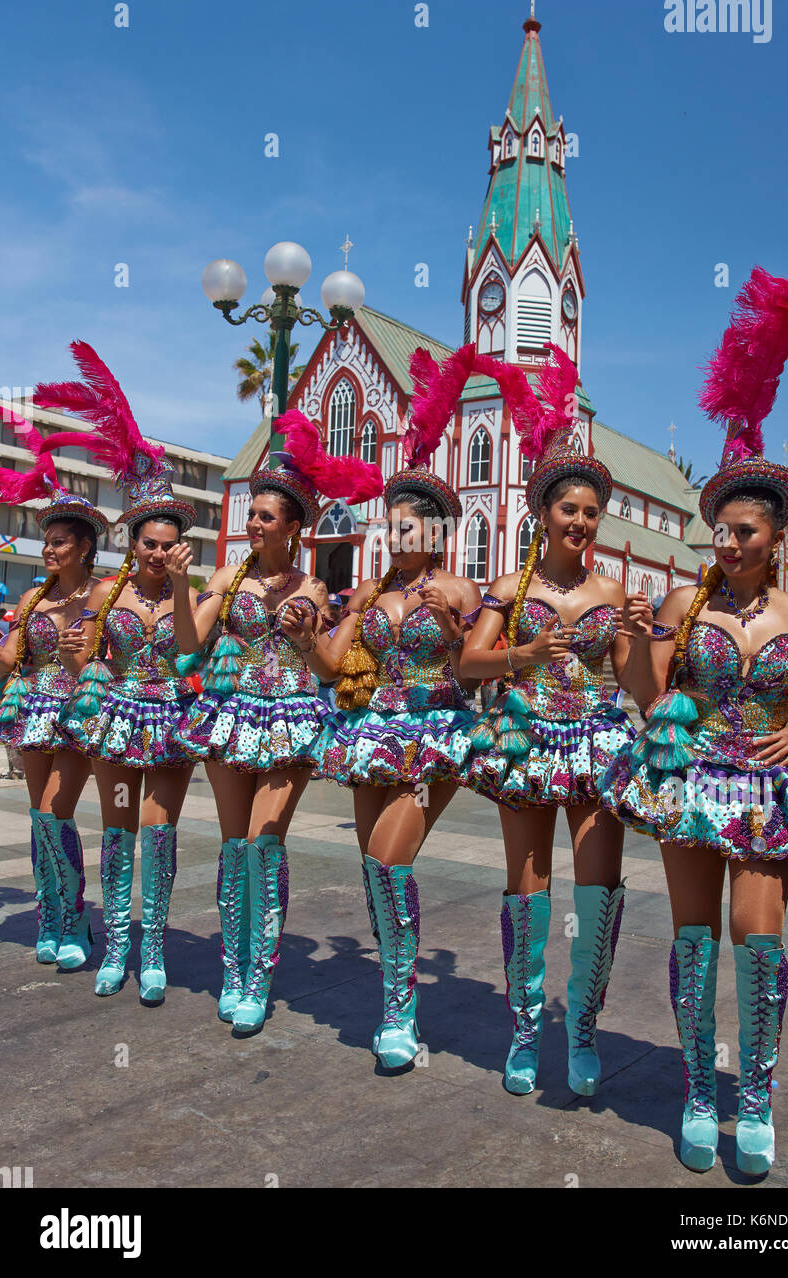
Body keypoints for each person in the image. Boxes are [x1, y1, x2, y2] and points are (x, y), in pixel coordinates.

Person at [602, 269, 788, 1175]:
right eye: (722, 530)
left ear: (776, 538)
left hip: (769, 787)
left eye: (745, 532)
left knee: (762, 937)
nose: (729, 543)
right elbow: (646, 691)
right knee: (695, 935)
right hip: (692, 776)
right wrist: (634, 642)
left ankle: (757, 1094)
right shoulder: (680, 599)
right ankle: (697, 1093)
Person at [456, 345, 635, 1096]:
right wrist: (523, 654)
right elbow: (469, 665)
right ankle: (527, 1030)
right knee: (527, 891)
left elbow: (640, 684)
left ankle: (583, 1031)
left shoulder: (614, 589)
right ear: (543, 514)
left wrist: (650, 636)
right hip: (525, 740)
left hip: (599, 743)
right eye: (570, 509)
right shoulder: (506, 584)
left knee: (598, 890)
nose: (583, 523)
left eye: (592, 513)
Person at [171, 411, 381, 1033]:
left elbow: (326, 661)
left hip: (290, 717)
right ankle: (233, 969)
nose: (255, 523)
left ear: (293, 527)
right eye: (252, 514)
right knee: (233, 849)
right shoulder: (225, 579)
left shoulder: (312, 587)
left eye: (267, 516)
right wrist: (183, 585)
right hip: (232, 715)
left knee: (265, 844)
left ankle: (260, 975)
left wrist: (302, 633)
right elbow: (188, 647)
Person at [314, 344, 481, 1069]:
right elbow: (331, 661)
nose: (397, 534)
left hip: (435, 727)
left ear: (439, 531)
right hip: (370, 734)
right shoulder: (372, 595)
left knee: (389, 862)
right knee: (371, 867)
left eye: (409, 524)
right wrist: (303, 636)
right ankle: (396, 985)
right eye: (391, 524)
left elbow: (473, 671)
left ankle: (399, 1017)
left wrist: (451, 627)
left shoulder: (463, 592)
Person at [34, 343, 201, 1003]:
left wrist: (184, 588)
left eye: (169, 545)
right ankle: (117, 947)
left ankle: (155, 947)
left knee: (159, 833)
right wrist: (76, 659)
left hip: (171, 719)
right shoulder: (103, 595)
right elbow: (82, 658)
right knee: (119, 831)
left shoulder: (189, 588)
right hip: (115, 719)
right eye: (149, 544)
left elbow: (189, 650)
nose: (159, 554)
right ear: (132, 544)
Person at [0, 402, 108, 966]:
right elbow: (7, 660)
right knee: (39, 818)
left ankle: (76, 916)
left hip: (80, 710)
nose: (50, 548)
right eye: (47, 540)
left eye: (61, 541)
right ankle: (51, 914)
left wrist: (86, 659)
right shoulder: (33, 596)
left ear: (83, 546)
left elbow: (120, 652)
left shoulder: (104, 594)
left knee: (58, 811)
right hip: (32, 708)